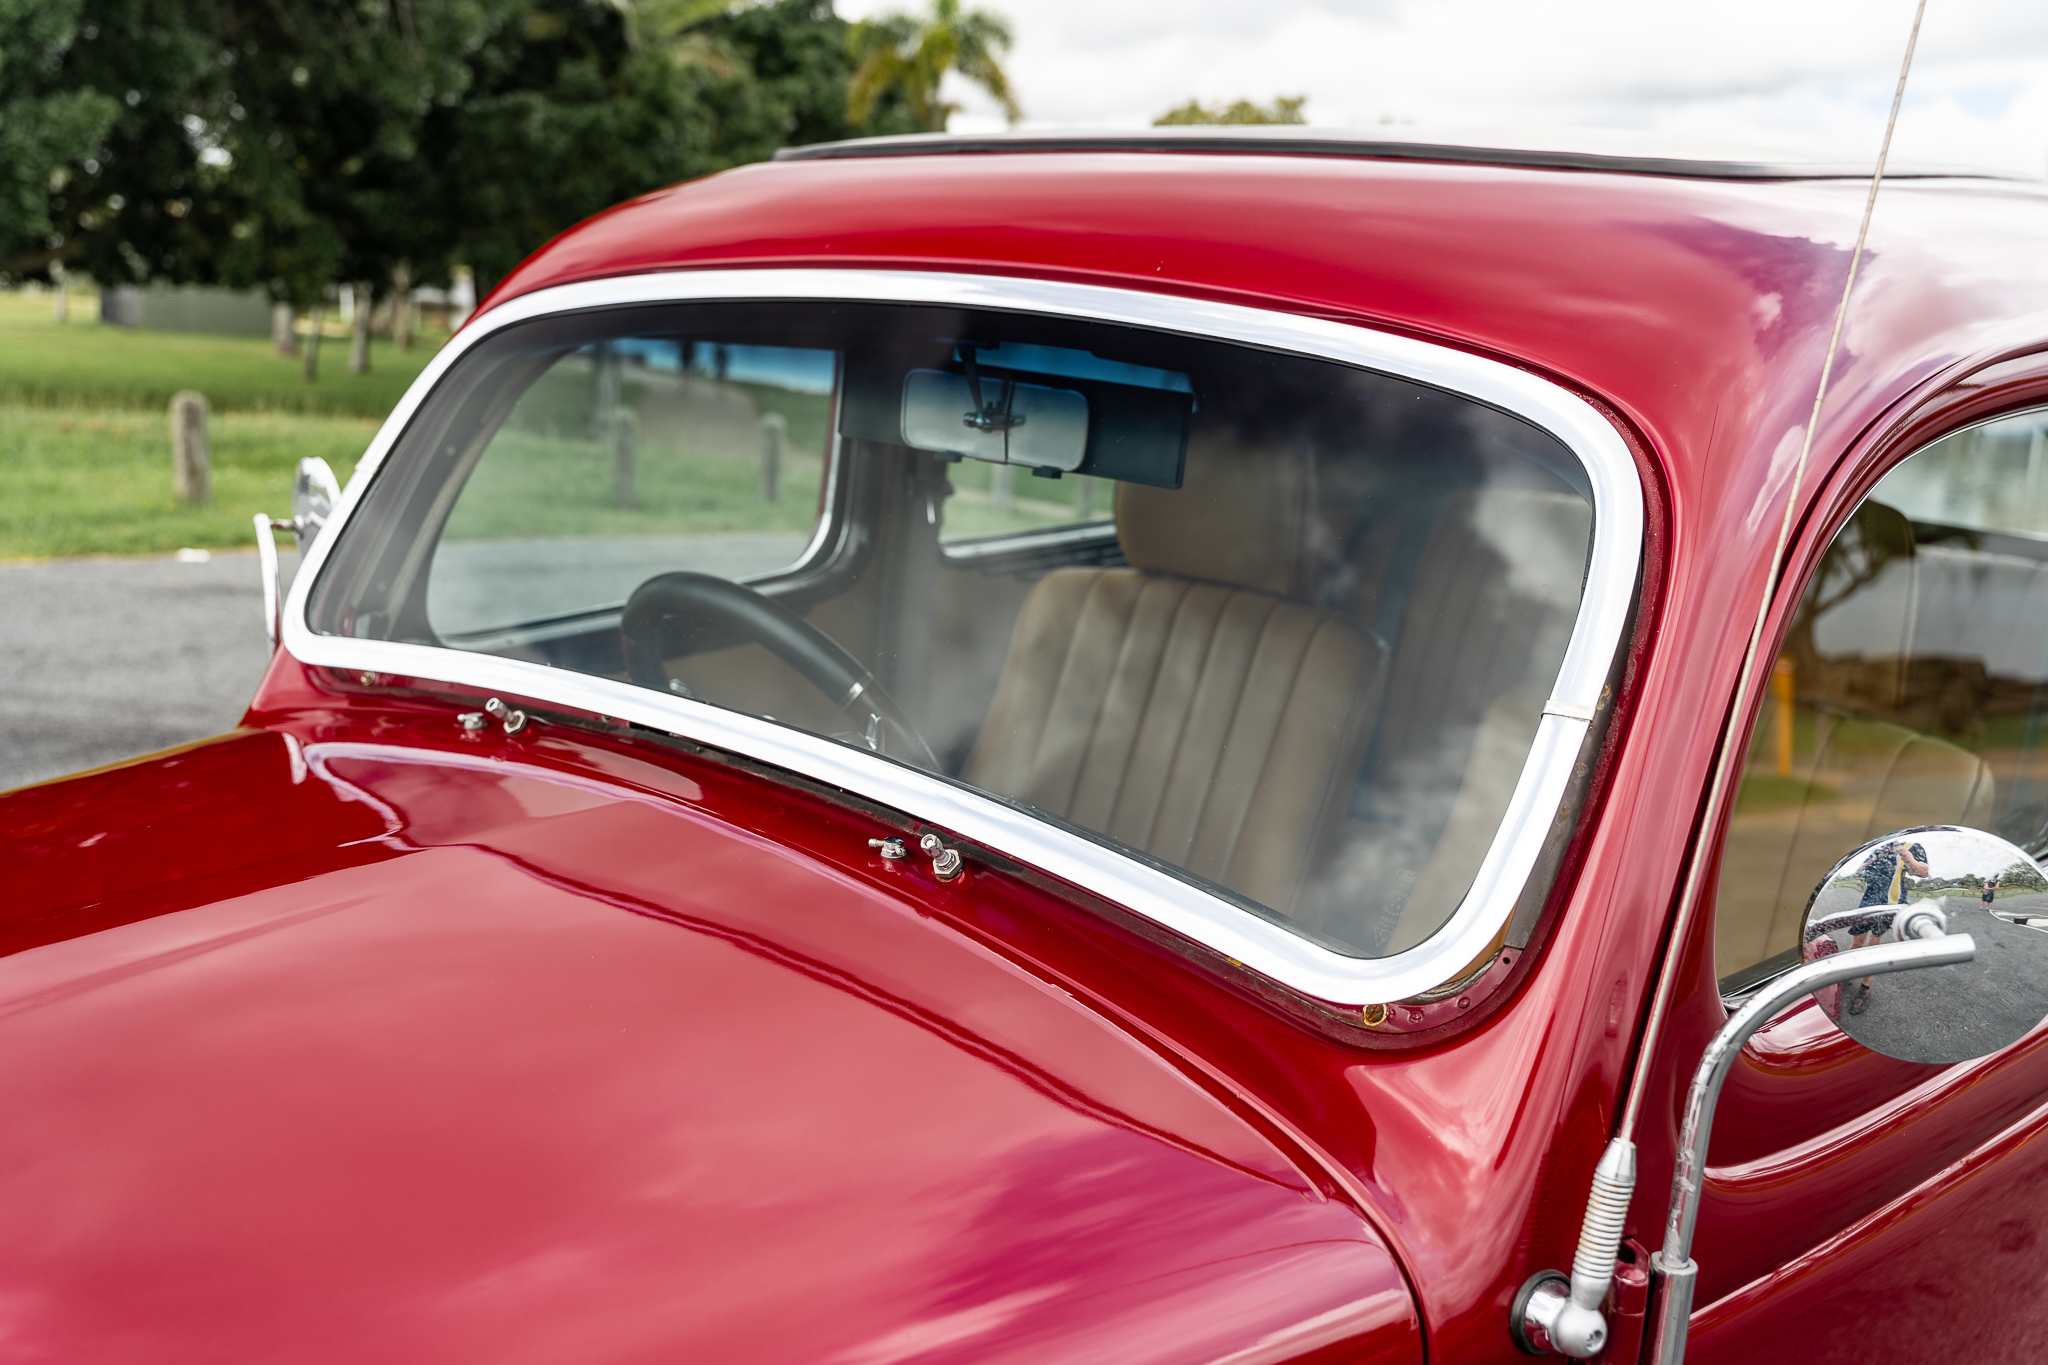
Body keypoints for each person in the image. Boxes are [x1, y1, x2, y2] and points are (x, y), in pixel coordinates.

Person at [1843, 839, 1931, 1015]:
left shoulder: (1911, 846)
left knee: (1873, 949)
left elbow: (1923, 872)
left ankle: (1864, 989)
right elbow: (1860, 869)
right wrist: (1867, 863)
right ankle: (1845, 975)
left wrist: (1906, 855)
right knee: (1857, 944)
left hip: (1889, 904)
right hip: (1868, 902)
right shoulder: (1882, 846)